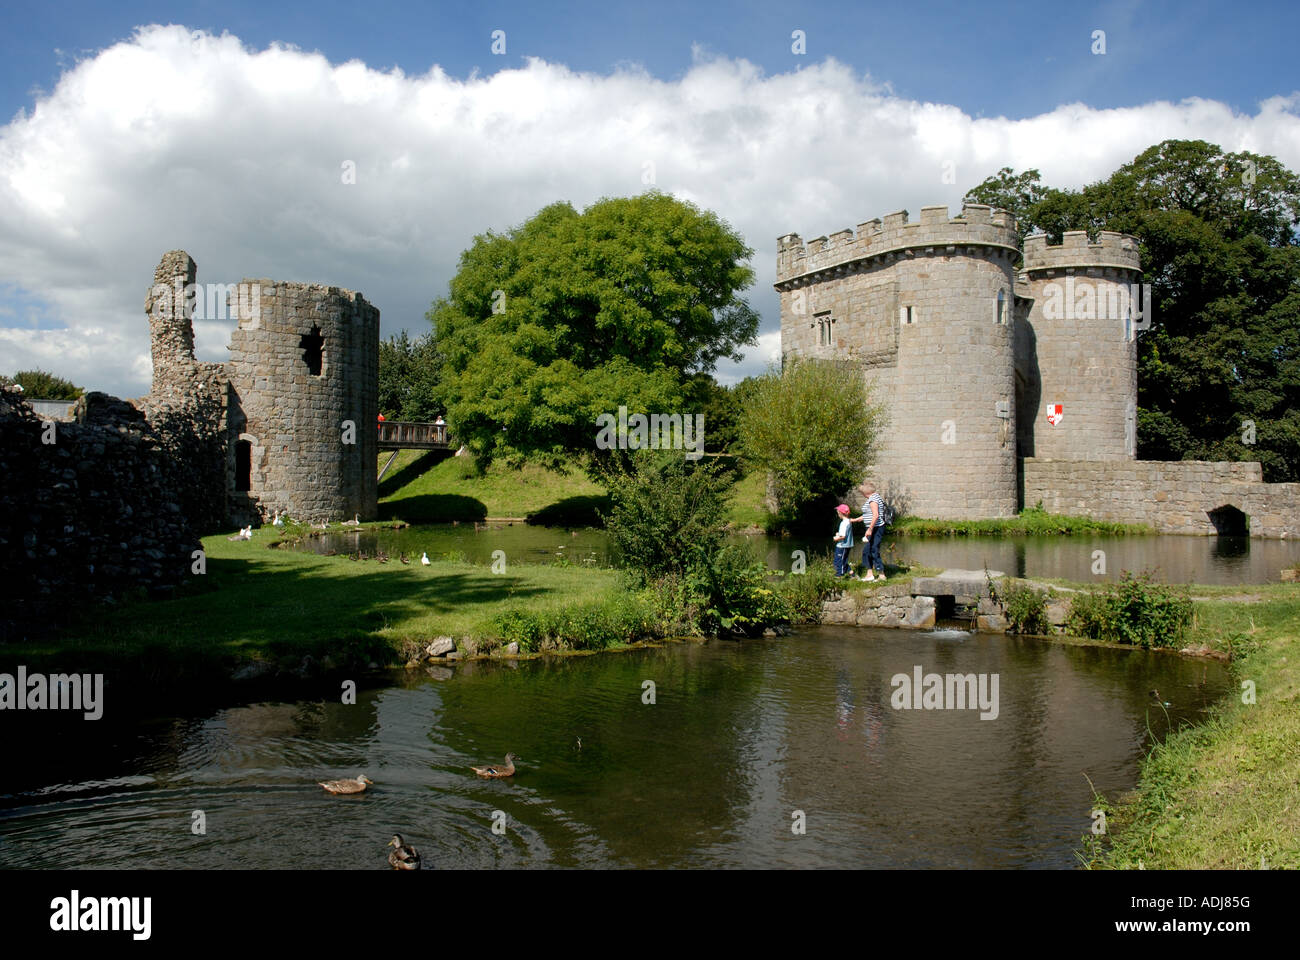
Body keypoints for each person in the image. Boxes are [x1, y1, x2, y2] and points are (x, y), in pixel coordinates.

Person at [853, 483, 887, 582]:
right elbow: (869, 514)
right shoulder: (875, 497)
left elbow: (875, 515)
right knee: (867, 551)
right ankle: (869, 574)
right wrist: (855, 520)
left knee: (874, 549)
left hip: (876, 528)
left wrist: (870, 529)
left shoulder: (873, 499)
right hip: (874, 528)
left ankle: (881, 574)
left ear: (865, 492)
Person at [832, 503, 855, 578]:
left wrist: (836, 538)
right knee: (843, 560)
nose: (837, 514)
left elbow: (843, 536)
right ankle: (851, 573)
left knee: (839, 561)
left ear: (840, 513)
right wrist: (839, 534)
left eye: (838, 512)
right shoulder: (848, 521)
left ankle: (839, 575)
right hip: (845, 545)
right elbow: (845, 533)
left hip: (843, 545)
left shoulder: (844, 523)